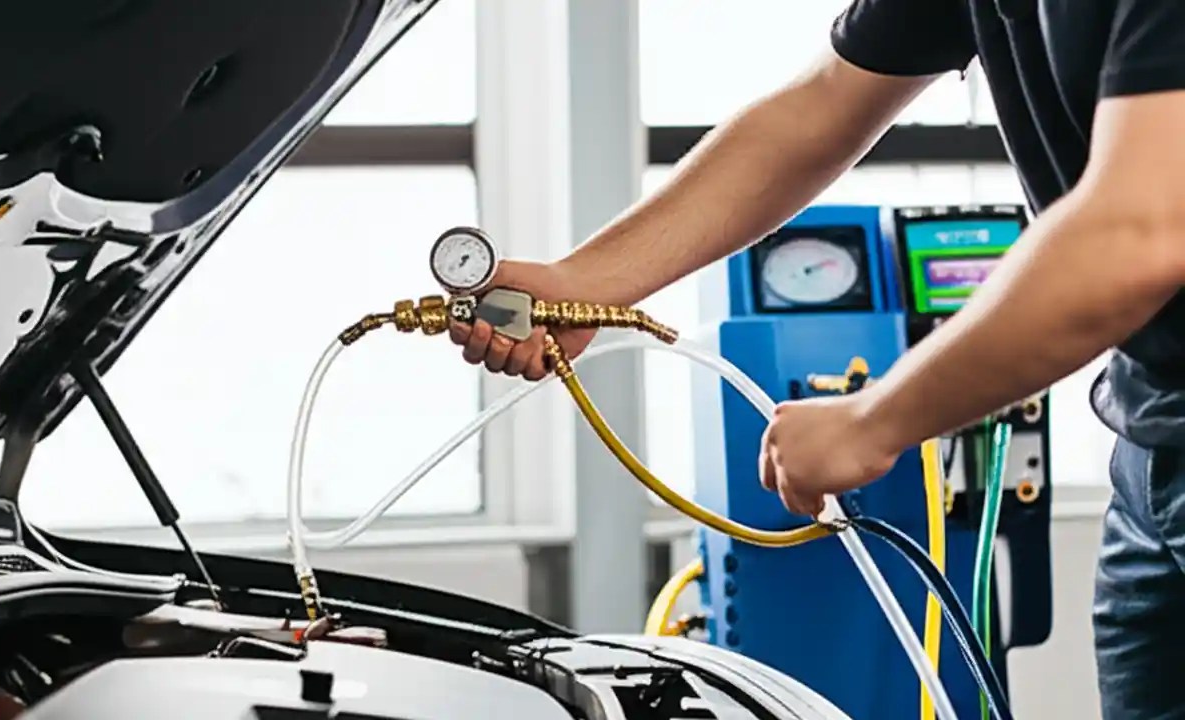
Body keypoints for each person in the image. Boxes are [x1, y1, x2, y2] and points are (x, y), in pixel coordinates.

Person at [451, 1, 1185, 716]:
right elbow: (823, 106)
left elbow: (1137, 233)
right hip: (1151, 433)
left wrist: (875, 421)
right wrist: (586, 284)